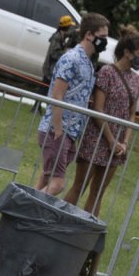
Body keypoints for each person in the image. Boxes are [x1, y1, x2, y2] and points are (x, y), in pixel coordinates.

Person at [73, 29, 139, 216]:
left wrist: (124, 142)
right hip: (96, 138)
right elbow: (98, 109)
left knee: (98, 193)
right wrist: (110, 139)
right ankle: (55, 224)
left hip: (117, 146)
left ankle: (84, 235)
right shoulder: (107, 73)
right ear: (127, 52)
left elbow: (132, 115)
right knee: (79, 187)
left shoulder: (137, 81)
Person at [36, 12, 107, 197]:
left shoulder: (88, 63)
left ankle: (21, 214)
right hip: (57, 131)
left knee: (46, 179)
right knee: (57, 184)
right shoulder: (72, 58)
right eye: (103, 37)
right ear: (89, 35)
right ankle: (23, 213)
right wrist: (58, 130)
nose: (105, 42)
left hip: (70, 132)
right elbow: (57, 95)